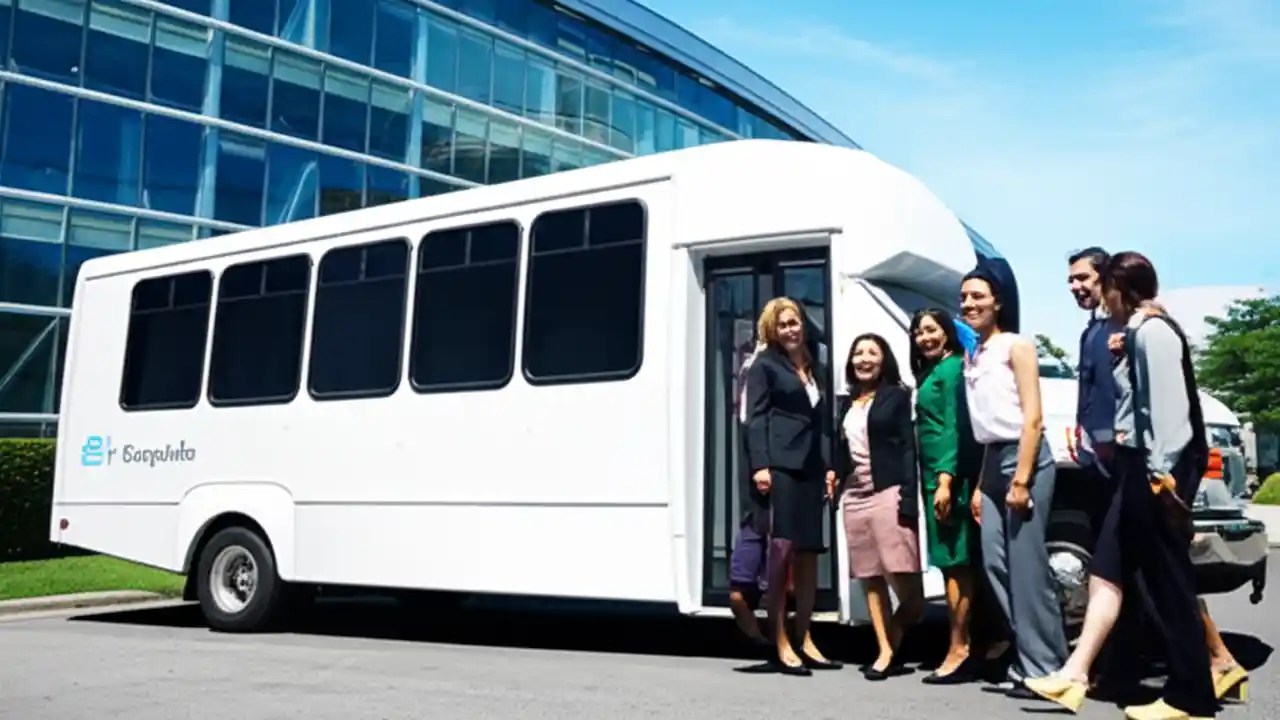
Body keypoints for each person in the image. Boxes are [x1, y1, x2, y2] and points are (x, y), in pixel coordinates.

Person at [959, 268, 1069, 697]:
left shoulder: (1016, 346)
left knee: (1028, 569)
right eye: (964, 297)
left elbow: (1033, 419)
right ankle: (1029, 657)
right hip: (992, 462)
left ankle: (1047, 668)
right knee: (995, 565)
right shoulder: (975, 353)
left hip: (1024, 460)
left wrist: (1021, 480)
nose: (969, 304)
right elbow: (986, 426)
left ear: (998, 302)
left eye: (978, 296)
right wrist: (983, 485)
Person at [742, 296, 840, 676]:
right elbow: (757, 418)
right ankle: (780, 640)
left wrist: (831, 466)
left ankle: (805, 636)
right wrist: (761, 464)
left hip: (812, 469)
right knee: (781, 555)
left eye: (794, 321)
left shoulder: (815, 365)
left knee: (808, 554)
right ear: (772, 329)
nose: (791, 329)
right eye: (782, 324)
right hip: (780, 467)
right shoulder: (764, 366)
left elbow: (823, 423)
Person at [836, 332, 925, 681]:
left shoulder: (897, 397)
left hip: (888, 492)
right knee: (870, 578)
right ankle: (885, 652)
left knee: (911, 594)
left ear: (883, 359)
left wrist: (907, 495)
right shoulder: (847, 402)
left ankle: (895, 635)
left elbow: (907, 448)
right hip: (854, 497)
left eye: (872, 352)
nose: (864, 359)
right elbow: (838, 447)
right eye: (858, 353)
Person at [909, 309, 983, 683]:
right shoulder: (934, 371)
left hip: (945, 477)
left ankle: (960, 647)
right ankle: (959, 644)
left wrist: (945, 480)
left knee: (956, 564)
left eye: (932, 330)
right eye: (919, 332)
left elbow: (955, 426)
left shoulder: (953, 368)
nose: (925, 337)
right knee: (950, 564)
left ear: (948, 334)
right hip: (933, 476)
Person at [728, 339, 773, 654]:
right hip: (763, 469)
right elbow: (749, 417)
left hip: (766, 467)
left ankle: (761, 625)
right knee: (761, 527)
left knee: (758, 527)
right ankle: (761, 630)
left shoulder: (751, 363)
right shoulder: (757, 364)